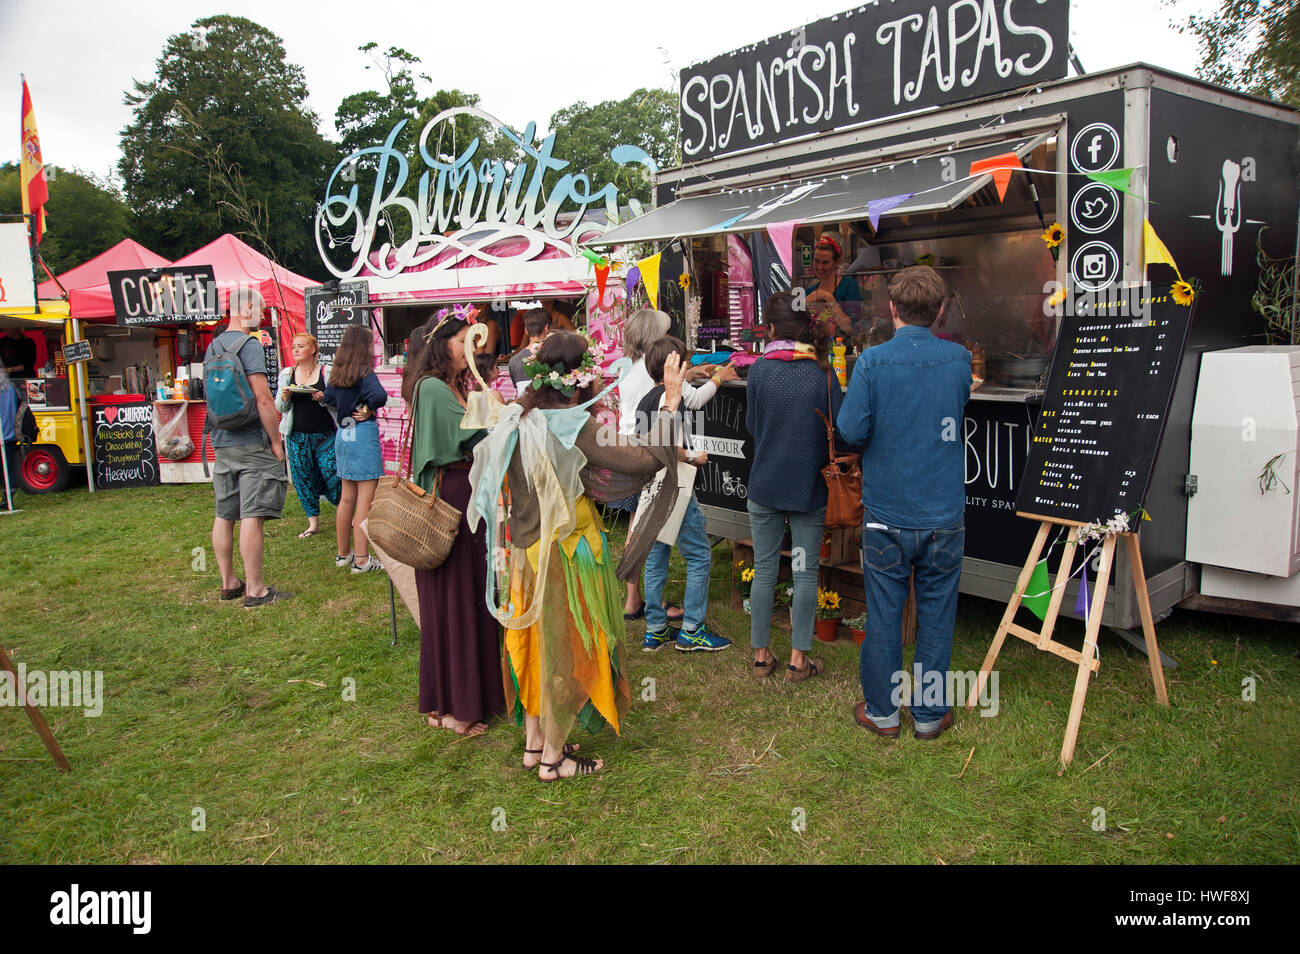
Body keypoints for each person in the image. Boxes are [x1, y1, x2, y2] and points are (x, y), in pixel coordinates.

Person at [464, 331, 688, 779]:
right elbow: (644, 459)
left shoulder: (520, 412)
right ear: (582, 377)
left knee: (533, 648)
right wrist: (670, 401)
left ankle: (535, 744)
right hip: (565, 556)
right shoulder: (573, 425)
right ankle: (553, 759)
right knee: (567, 653)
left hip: (526, 556)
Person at [837, 266, 971, 740]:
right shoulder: (958, 360)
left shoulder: (872, 363)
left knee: (884, 614)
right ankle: (930, 716)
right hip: (942, 513)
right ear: (938, 312)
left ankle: (883, 712)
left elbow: (850, 432)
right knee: (936, 614)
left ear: (891, 309)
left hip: (888, 513)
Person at [408, 304, 504, 737]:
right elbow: (467, 432)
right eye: (461, 339)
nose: (469, 347)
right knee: (456, 600)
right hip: (450, 503)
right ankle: (456, 708)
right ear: (440, 344)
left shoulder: (451, 385)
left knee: (465, 596)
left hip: (465, 500)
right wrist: (496, 410)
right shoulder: (431, 388)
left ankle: (451, 701)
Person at [745, 291, 844, 683]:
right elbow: (836, 430)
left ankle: (760, 656)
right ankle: (798, 660)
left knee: (765, 569)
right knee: (804, 572)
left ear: (770, 330)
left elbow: (753, 426)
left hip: (764, 484)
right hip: (809, 488)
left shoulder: (759, 370)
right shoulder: (822, 371)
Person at [635, 336, 734, 653]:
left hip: (649, 486)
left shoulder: (646, 398)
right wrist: (694, 457)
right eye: (685, 363)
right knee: (699, 555)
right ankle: (692, 630)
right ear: (672, 366)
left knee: (656, 556)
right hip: (676, 485)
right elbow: (663, 446)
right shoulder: (670, 399)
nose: (688, 366)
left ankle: (656, 628)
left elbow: (644, 443)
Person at [205, 288, 291, 607]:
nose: (263, 316)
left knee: (224, 513)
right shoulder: (249, 344)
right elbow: (264, 398)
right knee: (252, 514)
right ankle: (256, 589)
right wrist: (276, 441)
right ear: (249, 308)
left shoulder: (213, 345)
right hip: (251, 441)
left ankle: (229, 582)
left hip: (221, 441)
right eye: (262, 310)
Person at [324, 325, 388, 574]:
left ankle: (343, 554)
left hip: (343, 432)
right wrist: (368, 408)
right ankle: (362, 559)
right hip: (361, 433)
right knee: (365, 499)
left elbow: (328, 399)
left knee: (346, 497)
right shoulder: (364, 371)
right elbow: (380, 395)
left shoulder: (337, 372)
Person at [275, 333, 341, 540]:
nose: (295, 350)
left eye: (300, 346)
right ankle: (313, 523)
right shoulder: (287, 374)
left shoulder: (327, 372)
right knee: (302, 477)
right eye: (293, 346)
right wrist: (285, 397)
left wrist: (324, 398)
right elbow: (280, 407)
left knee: (333, 474)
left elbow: (338, 402)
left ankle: (343, 515)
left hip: (326, 434)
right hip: (296, 435)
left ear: (313, 349)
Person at [805, 234, 864, 347]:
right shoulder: (808, 292)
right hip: (814, 353)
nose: (820, 267)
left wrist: (829, 298)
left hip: (842, 354)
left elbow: (850, 328)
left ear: (837, 262)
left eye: (825, 262)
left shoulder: (849, 285)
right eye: (816, 261)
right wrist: (804, 304)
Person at [507, 308, 551, 387]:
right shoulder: (553, 355)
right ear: (546, 328)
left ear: (526, 330)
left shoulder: (513, 361)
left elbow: (518, 390)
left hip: (523, 399)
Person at [0, 367, 19, 507]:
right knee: (8, 466)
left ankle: (7, 497)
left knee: (4, 467)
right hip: (12, 433)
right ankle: (9, 496)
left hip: (3, 433)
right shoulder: (12, 388)